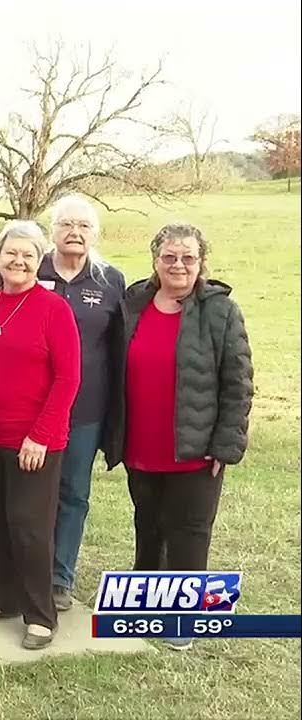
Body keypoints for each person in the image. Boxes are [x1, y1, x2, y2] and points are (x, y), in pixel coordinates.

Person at [105, 222, 252, 651]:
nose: (179, 264)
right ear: (156, 260)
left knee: (189, 531)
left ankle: (182, 620)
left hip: (195, 450)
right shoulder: (135, 302)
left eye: (188, 257)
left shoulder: (221, 311)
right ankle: (144, 607)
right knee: (148, 525)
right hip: (142, 445)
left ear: (201, 261)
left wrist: (227, 443)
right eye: (169, 256)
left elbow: (238, 382)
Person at [0, 221, 80, 650]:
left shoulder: (54, 309)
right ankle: (4, 597)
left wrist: (40, 436)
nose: (19, 261)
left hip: (34, 442)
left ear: (39, 260)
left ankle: (40, 614)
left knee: (29, 528)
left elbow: (68, 378)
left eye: (29, 255)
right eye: (12, 253)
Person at [37, 195, 126, 612]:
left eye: (84, 226)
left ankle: (60, 577)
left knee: (73, 494)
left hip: (86, 410)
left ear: (96, 234)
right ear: (52, 230)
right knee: (33, 494)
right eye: (66, 224)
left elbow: (119, 348)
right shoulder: (29, 269)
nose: (74, 233)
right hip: (32, 407)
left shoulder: (111, 280)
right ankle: (29, 572)